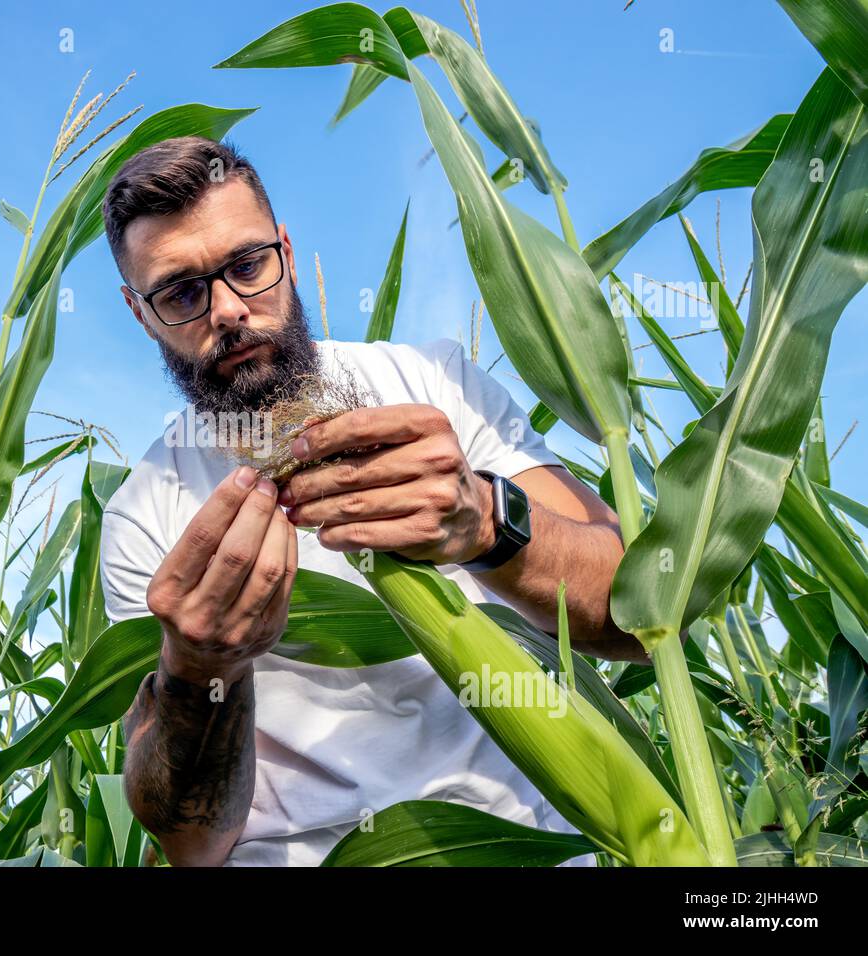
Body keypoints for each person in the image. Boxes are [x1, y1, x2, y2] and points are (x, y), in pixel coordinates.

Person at [97, 135, 641, 867]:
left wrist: (484, 522)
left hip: (517, 848)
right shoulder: (143, 519)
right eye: (181, 293)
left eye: (248, 266)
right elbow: (193, 841)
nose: (227, 310)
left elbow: (638, 622)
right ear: (140, 313)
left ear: (286, 253)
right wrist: (199, 670)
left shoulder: (437, 383)